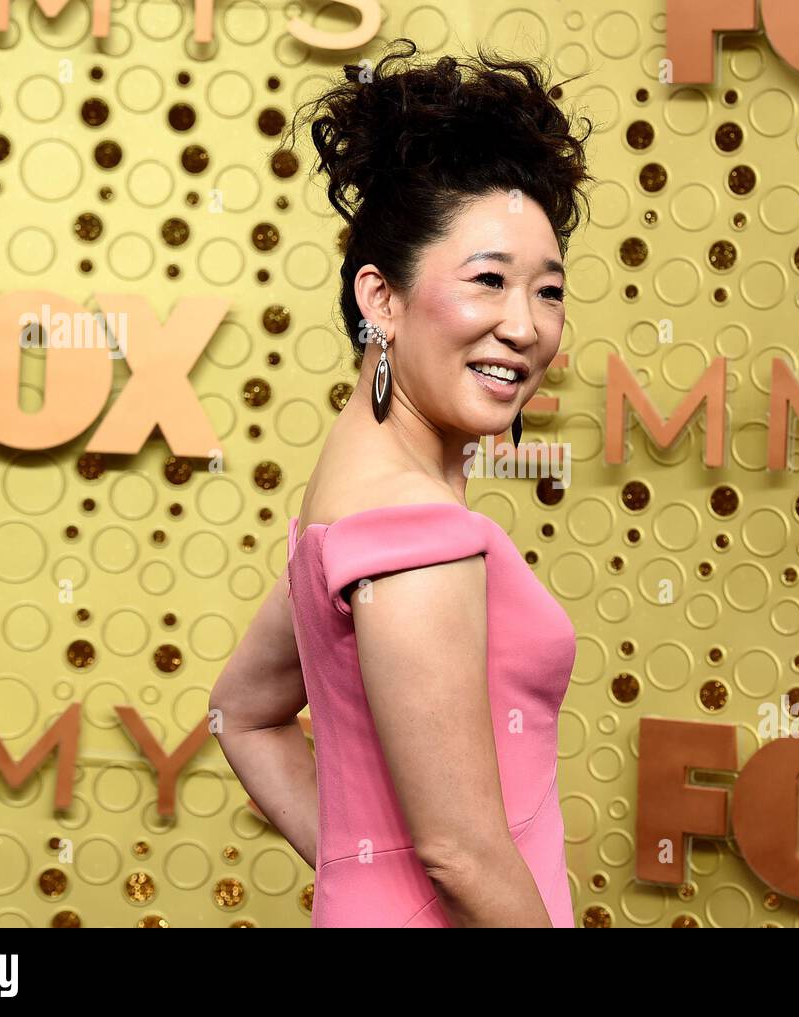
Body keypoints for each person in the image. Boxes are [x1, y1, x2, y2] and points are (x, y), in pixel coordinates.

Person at [210, 37, 595, 927]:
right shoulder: (416, 531)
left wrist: (368, 882)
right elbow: (459, 850)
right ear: (379, 298)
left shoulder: (350, 504)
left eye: (548, 290)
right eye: (488, 281)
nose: (525, 326)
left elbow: (243, 713)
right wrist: (403, 884)